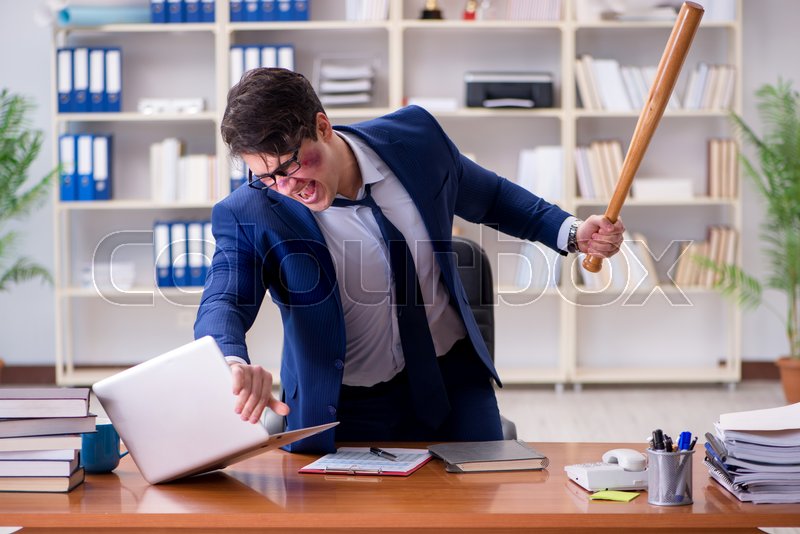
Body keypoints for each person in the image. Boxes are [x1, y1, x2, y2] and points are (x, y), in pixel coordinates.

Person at [195, 68, 625, 453]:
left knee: (486, 503)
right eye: (265, 177)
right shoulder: (249, 210)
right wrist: (231, 362)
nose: (286, 187)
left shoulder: (416, 140)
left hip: (451, 379)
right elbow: (224, 301)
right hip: (342, 403)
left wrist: (570, 231)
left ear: (322, 127)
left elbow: (489, 196)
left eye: (290, 167)